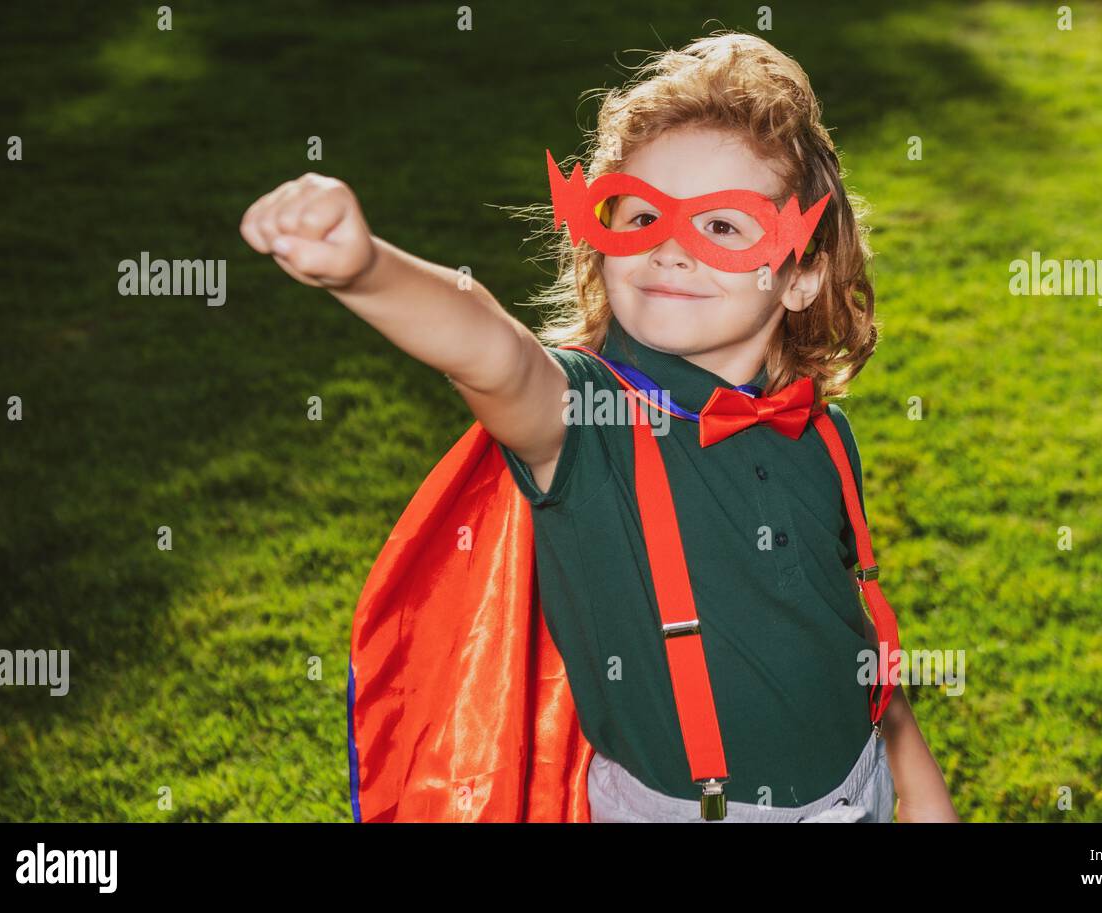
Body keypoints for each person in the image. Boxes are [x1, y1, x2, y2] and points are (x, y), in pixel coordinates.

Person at [240, 31, 959, 823]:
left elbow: (855, 651)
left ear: (801, 275)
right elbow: (493, 355)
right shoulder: (588, 422)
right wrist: (366, 269)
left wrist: (920, 793)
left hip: (861, 785)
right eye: (642, 215)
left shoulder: (821, 433)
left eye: (724, 226)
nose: (670, 249)